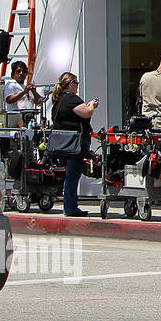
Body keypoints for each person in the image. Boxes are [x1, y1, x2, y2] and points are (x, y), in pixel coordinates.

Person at [50, 72, 97, 217]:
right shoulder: (71, 99)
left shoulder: (59, 100)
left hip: (63, 143)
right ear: (70, 84)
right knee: (73, 174)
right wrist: (92, 105)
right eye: (76, 83)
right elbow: (86, 113)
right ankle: (70, 207)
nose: (77, 86)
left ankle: (69, 205)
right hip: (74, 142)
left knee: (70, 174)